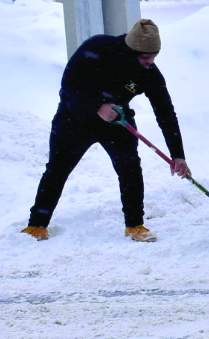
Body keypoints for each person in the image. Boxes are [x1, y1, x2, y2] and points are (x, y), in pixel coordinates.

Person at [21, 19, 190, 242]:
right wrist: (97, 105)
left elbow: (166, 113)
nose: (150, 61)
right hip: (74, 118)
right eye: (145, 57)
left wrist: (178, 154)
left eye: (154, 56)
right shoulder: (98, 48)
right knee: (57, 169)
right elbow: (69, 84)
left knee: (129, 169)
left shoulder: (149, 73)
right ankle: (37, 225)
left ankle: (135, 225)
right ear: (131, 50)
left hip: (116, 122)